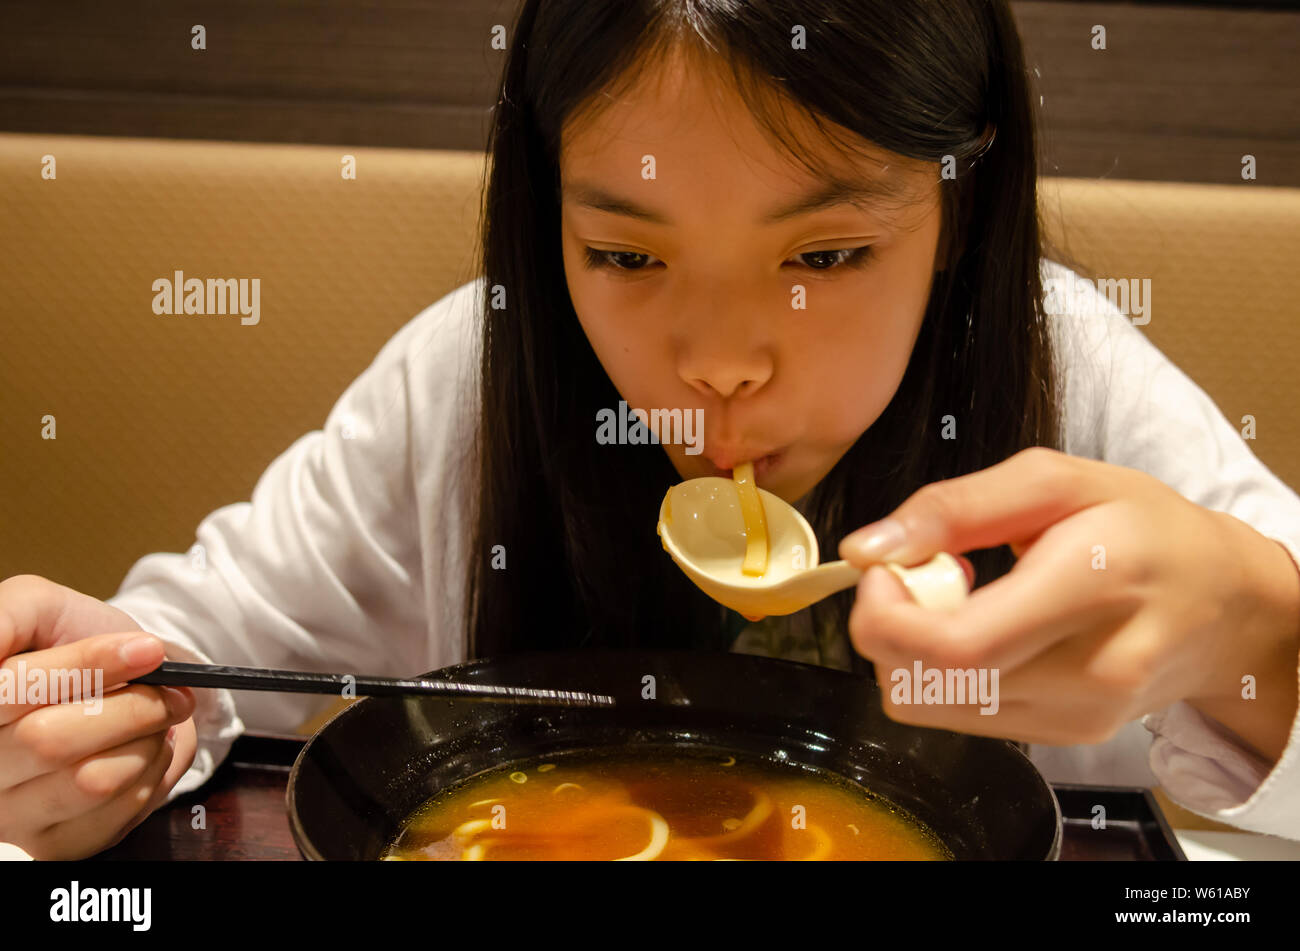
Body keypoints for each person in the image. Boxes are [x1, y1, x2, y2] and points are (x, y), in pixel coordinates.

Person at [2, 0, 1298, 860]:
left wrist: (1260, 631)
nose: (720, 362)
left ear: (962, 212)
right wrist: (98, 728)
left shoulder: (1067, 385)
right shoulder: (470, 383)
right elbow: (201, 665)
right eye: (624, 251)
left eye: (830, 251)